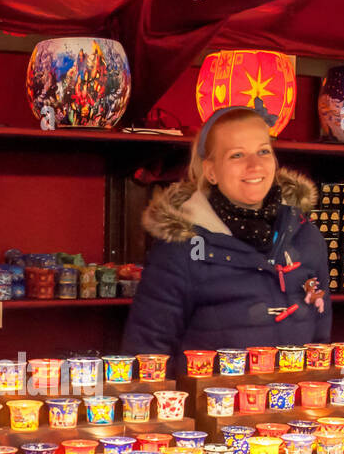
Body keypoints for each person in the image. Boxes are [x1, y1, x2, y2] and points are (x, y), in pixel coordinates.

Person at [121, 106, 329, 364]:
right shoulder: (180, 249)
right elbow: (148, 353)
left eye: (263, 151)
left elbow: (321, 341)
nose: (254, 165)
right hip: (210, 403)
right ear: (211, 171)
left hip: (296, 402)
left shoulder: (306, 237)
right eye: (237, 155)